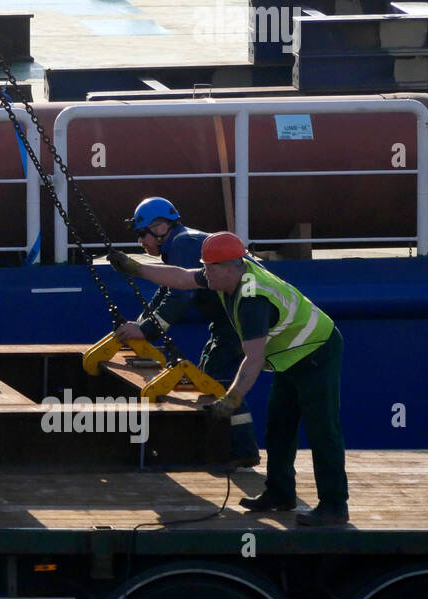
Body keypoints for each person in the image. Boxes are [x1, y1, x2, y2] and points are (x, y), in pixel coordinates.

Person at [108, 232, 349, 526]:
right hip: (292, 354)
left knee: (322, 428)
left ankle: (335, 506)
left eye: (209, 268)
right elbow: (182, 277)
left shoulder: (252, 301)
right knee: (279, 426)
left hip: (316, 353)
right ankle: (280, 493)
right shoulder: (227, 275)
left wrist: (230, 400)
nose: (205, 275)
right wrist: (136, 268)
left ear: (229, 267)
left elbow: (253, 360)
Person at [114, 197, 259, 466]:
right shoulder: (183, 243)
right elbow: (167, 289)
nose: (141, 243)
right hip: (231, 320)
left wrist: (144, 331)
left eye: (141, 235)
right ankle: (224, 447)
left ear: (159, 228)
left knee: (218, 379)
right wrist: (139, 324)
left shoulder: (182, 243)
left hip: (240, 319)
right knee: (207, 377)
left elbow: (180, 297)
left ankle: (243, 450)